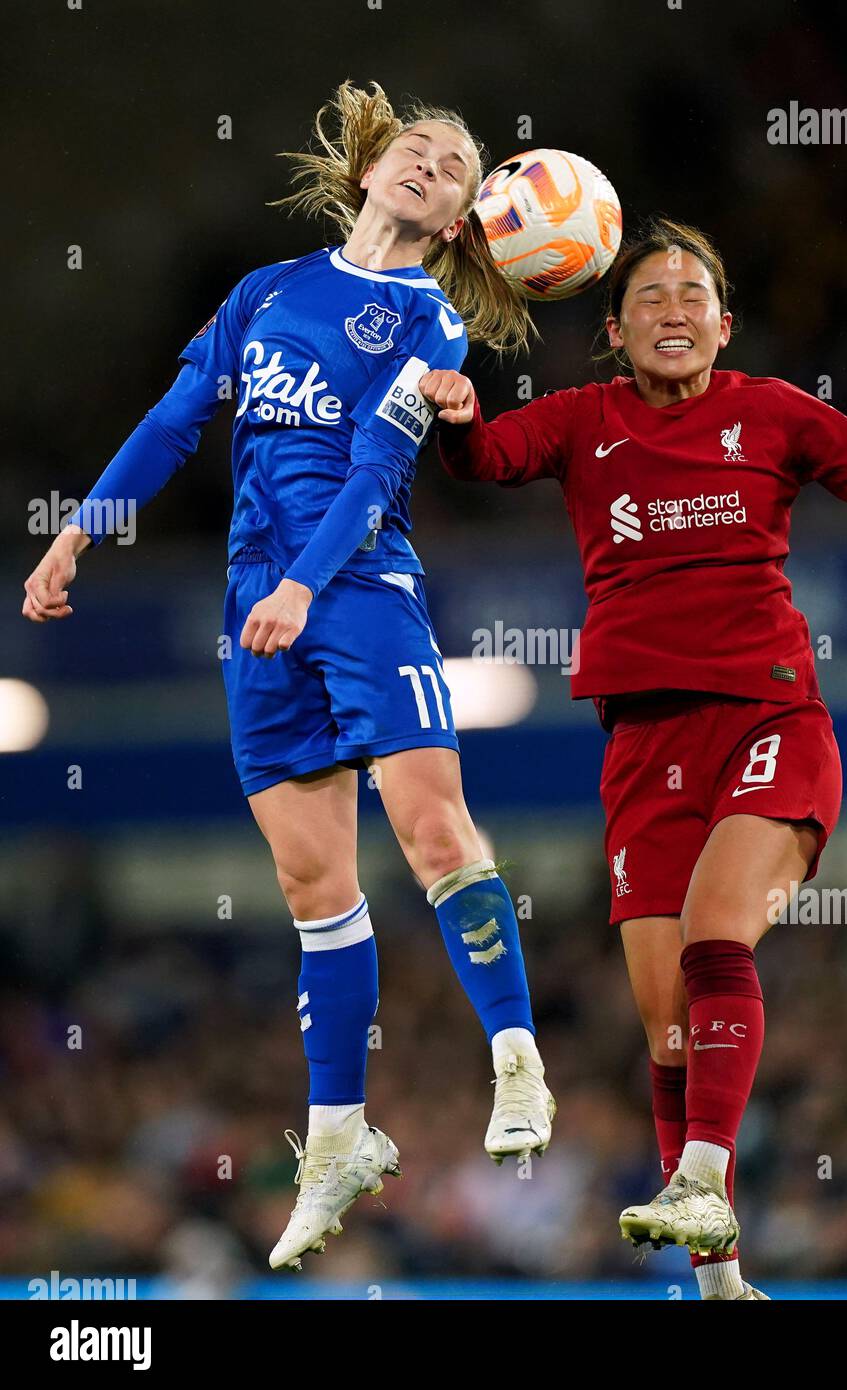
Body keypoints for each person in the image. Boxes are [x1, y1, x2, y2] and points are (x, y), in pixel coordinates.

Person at [422, 216, 847, 1301]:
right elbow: (489, 457)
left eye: (691, 294)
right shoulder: (581, 422)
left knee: (719, 932)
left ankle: (703, 1172)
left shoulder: (771, 413)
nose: (672, 309)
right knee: (666, 1029)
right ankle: (720, 1285)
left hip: (767, 721)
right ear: (611, 331)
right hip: (640, 743)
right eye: (648, 297)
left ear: (724, 323)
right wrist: (460, 411)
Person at [21, 80, 556, 1273]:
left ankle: (515, 1057)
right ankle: (336, 1140)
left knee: (429, 832)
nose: (429, 161)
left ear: (464, 220)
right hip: (253, 597)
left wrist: (307, 586)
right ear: (369, 172)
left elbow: (373, 471)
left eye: (455, 165)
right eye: (415, 146)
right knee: (312, 880)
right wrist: (79, 530)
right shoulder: (266, 292)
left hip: (358, 589)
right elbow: (173, 421)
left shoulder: (430, 325)